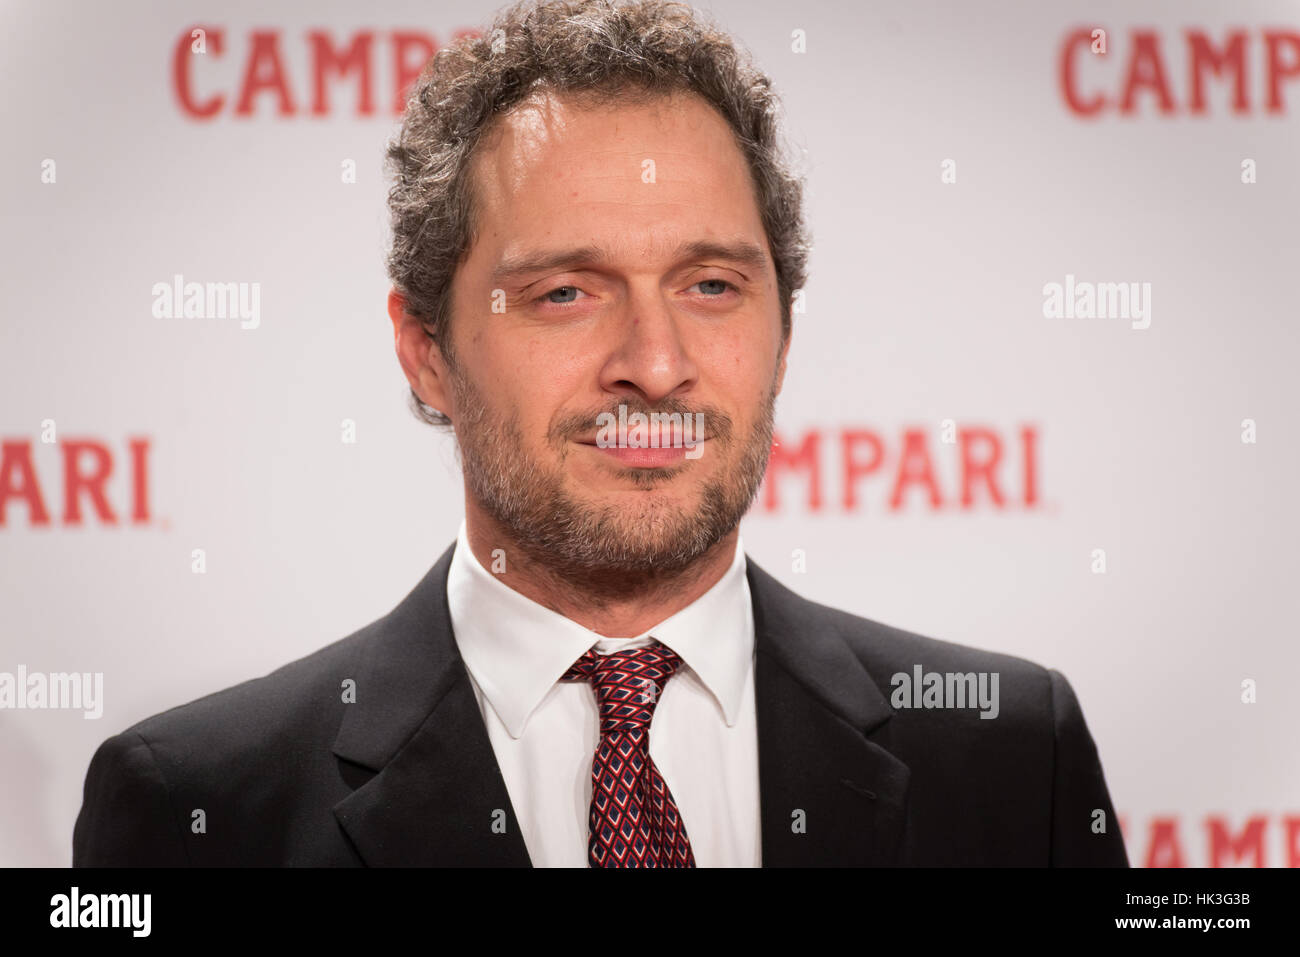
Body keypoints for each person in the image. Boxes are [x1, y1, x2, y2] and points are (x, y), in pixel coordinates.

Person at [73, 0, 1127, 867]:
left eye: (711, 285)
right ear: (426, 347)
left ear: (783, 330)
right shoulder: (199, 810)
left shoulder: (1009, 757)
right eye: (567, 292)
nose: (656, 363)